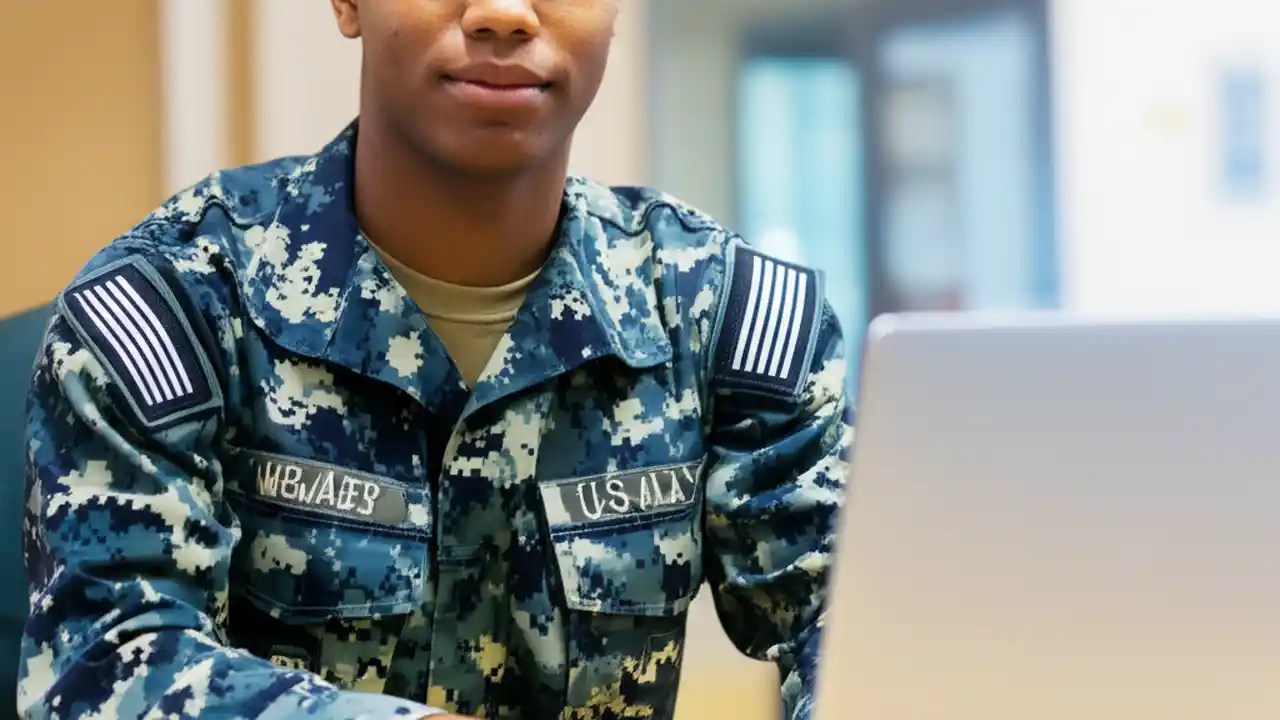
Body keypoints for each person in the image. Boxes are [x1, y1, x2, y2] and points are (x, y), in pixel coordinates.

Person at [17, 1, 852, 718]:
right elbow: (108, 669)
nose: (505, 12)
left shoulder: (724, 315)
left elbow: (861, 637)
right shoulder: (175, 310)